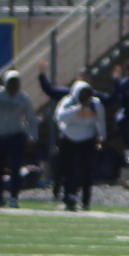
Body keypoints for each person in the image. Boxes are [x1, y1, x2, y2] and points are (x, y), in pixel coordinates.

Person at [0, 71, 36, 208]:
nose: (13, 86)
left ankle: (13, 196)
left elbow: (31, 117)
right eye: (11, 83)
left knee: (15, 167)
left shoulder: (23, 98)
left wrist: (32, 135)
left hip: (15, 134)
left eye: (16, 83)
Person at [54, 80, 106, 211]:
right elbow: (60, 117)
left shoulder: (95, 104)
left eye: (87, 95)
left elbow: (101, 121)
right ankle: (67, 198)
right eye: (82, 94)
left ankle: (85, 200)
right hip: (69, 138)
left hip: (87, 138)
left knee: (85, 170)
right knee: (67, 169)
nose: (85, 98)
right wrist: (78, 108)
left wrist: (102, 137)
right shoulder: (68, 102)